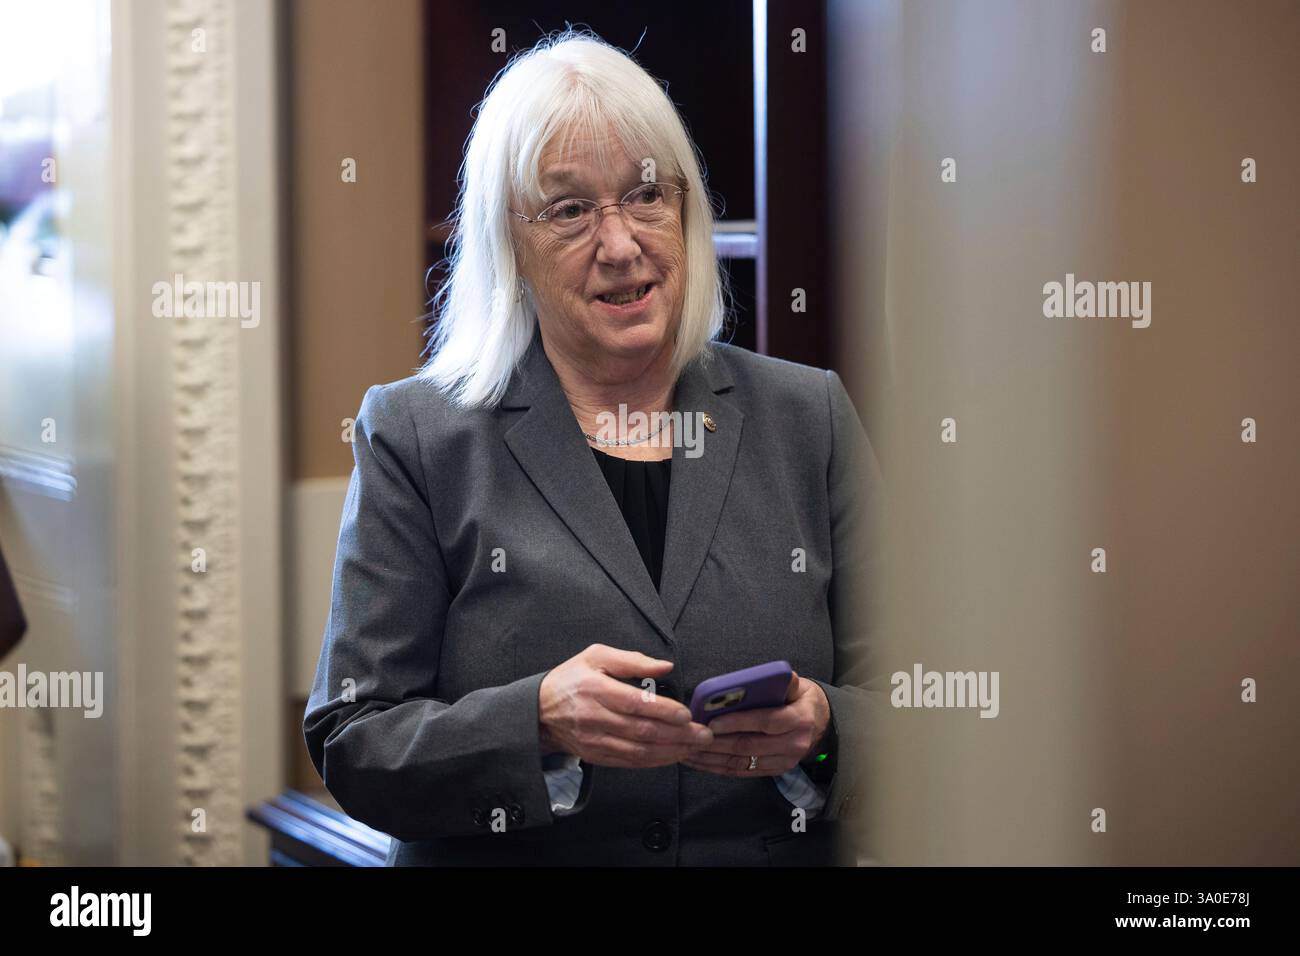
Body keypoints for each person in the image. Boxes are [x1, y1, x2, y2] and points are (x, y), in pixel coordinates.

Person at [303, 29, 884, 866]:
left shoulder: (809, 416)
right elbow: (354, 741)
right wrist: (534, 720)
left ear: (684, 211)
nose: (620, 245)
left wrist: (824, 730)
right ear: (510, 247)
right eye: (570, 210)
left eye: (646, 196)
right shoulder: (417, 436)